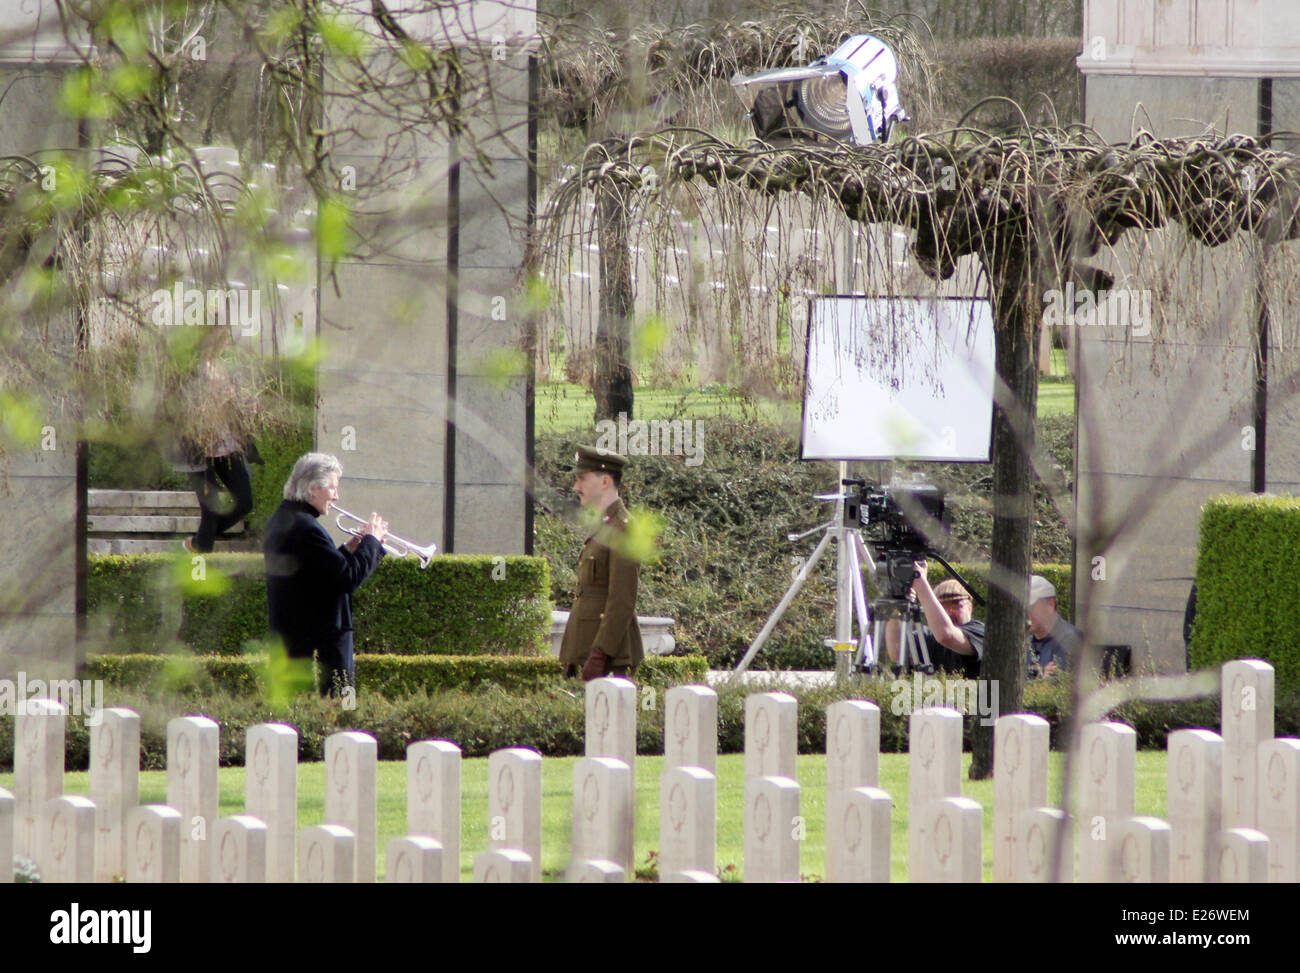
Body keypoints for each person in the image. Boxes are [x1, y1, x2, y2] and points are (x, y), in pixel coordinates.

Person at [263, 452, 387, 696]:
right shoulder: (306, 527)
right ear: (313, 488)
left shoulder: (282, 519)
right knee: (342, 707)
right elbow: (347, 578)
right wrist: (372, 541)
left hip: (293, 635)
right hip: (323, 636)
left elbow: (316, 573)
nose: (336, 496)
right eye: (333, 487)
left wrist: (349, 549)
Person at [558, 445, 644, 681]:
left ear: (605, 481)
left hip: (608, 660)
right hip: (585, 653)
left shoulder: (623, 529)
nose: (576, 487)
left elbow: (622, 599)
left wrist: (600, 653)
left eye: (582, 479)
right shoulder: (604, 526)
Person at [884, 562, 984, 678]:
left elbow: (946, 635)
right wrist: (898, 606)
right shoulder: (928, 636)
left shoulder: (979, 632)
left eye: (956, 605)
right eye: (942, 606)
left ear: (970, 607)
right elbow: (897, 652)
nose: (949, 612)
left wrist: (920, 582)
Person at [1026, 574, 1081, 677]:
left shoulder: (1071, 642)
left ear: (1050, 604)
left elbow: (1061, 689)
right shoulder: (1026, 645)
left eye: (1031, 607)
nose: (1025, 613)